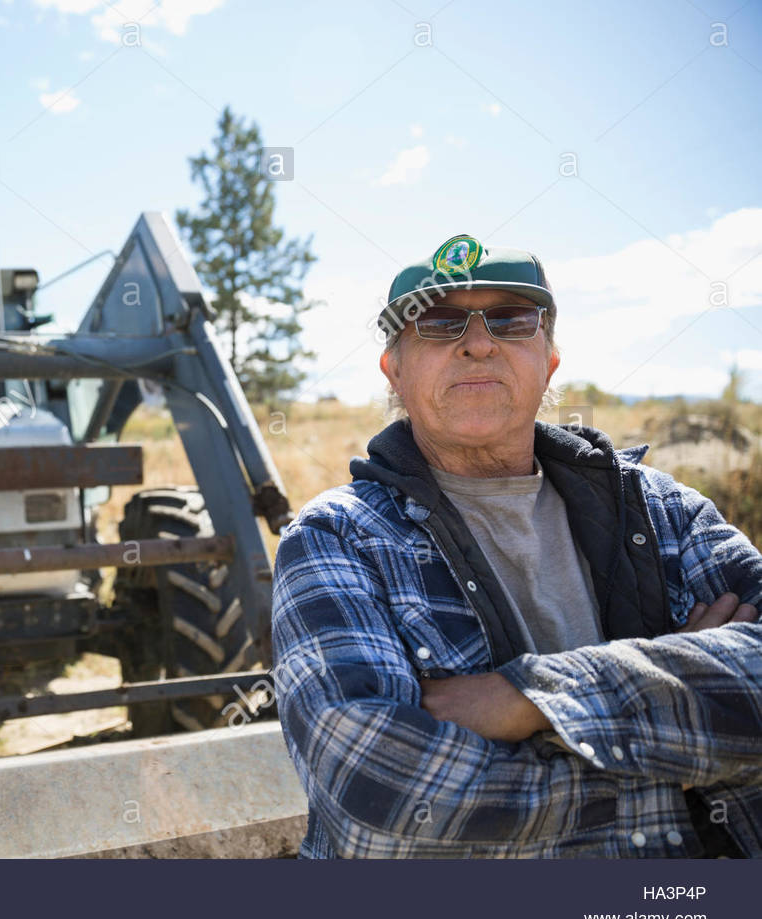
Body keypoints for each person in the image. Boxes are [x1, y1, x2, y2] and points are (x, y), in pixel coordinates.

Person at [271, 234, 762, 858]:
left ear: (549, 360)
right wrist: (685, 720)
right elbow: (380, 796)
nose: (478, 342)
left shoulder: (661, 510)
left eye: (510, 319)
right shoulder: (338, 540)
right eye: (440, 323)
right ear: (394, 370)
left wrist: (524, 697)